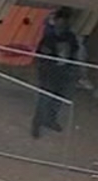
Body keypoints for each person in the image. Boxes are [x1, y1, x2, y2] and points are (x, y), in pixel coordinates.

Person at [31, 8, 79, 138]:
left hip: (63, 72)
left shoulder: (70, 36)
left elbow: (74, 52)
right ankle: (37, 123)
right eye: (62, 21)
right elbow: (42, 56)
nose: (64, 24)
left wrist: (71, 68)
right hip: (49, 73)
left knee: (57, 98)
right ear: (57, 21)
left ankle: (50, 119)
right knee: (44, 99)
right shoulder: (49, 37)